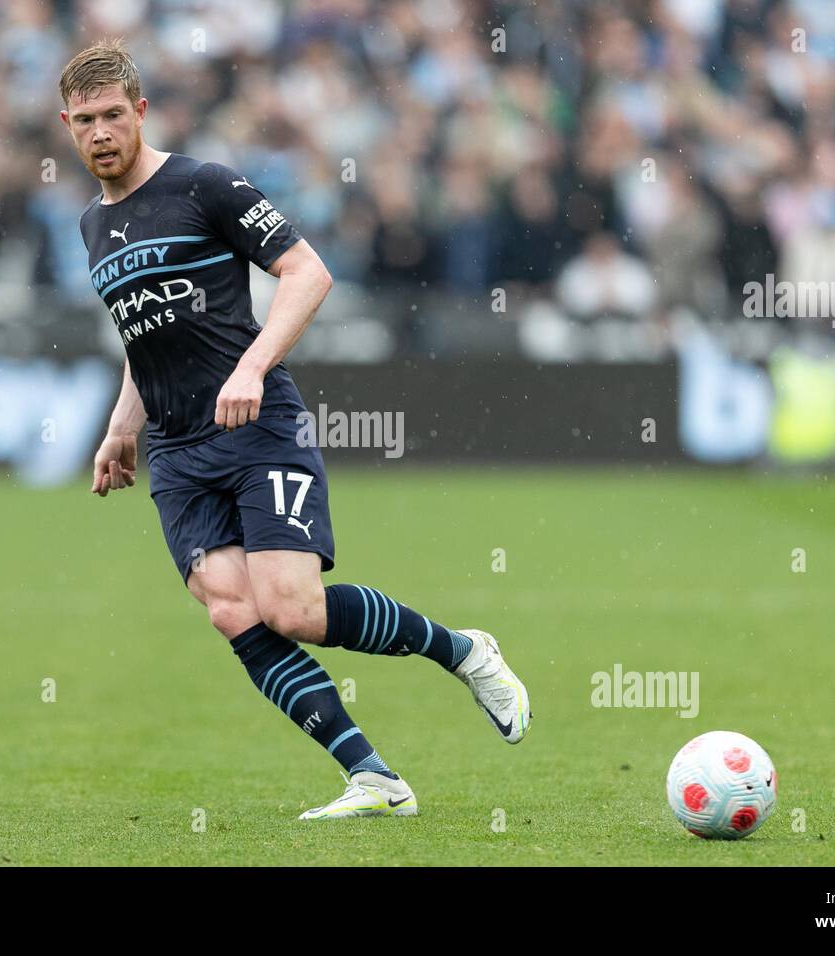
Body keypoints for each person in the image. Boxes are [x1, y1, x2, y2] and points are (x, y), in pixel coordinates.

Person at [60, 39, 531, 819]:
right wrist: (120, 428)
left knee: (292, 608)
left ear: (140, 112)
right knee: (229, 607)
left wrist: (249, 368)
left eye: (114, 115)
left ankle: (467, 652)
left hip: (255, 425)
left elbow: (308, 273)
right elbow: (145, 338)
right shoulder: (90, 225)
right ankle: (373, 777)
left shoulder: (204, 185)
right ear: (68, 127)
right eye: (84, 121)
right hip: (175, 447)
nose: (101, 132)